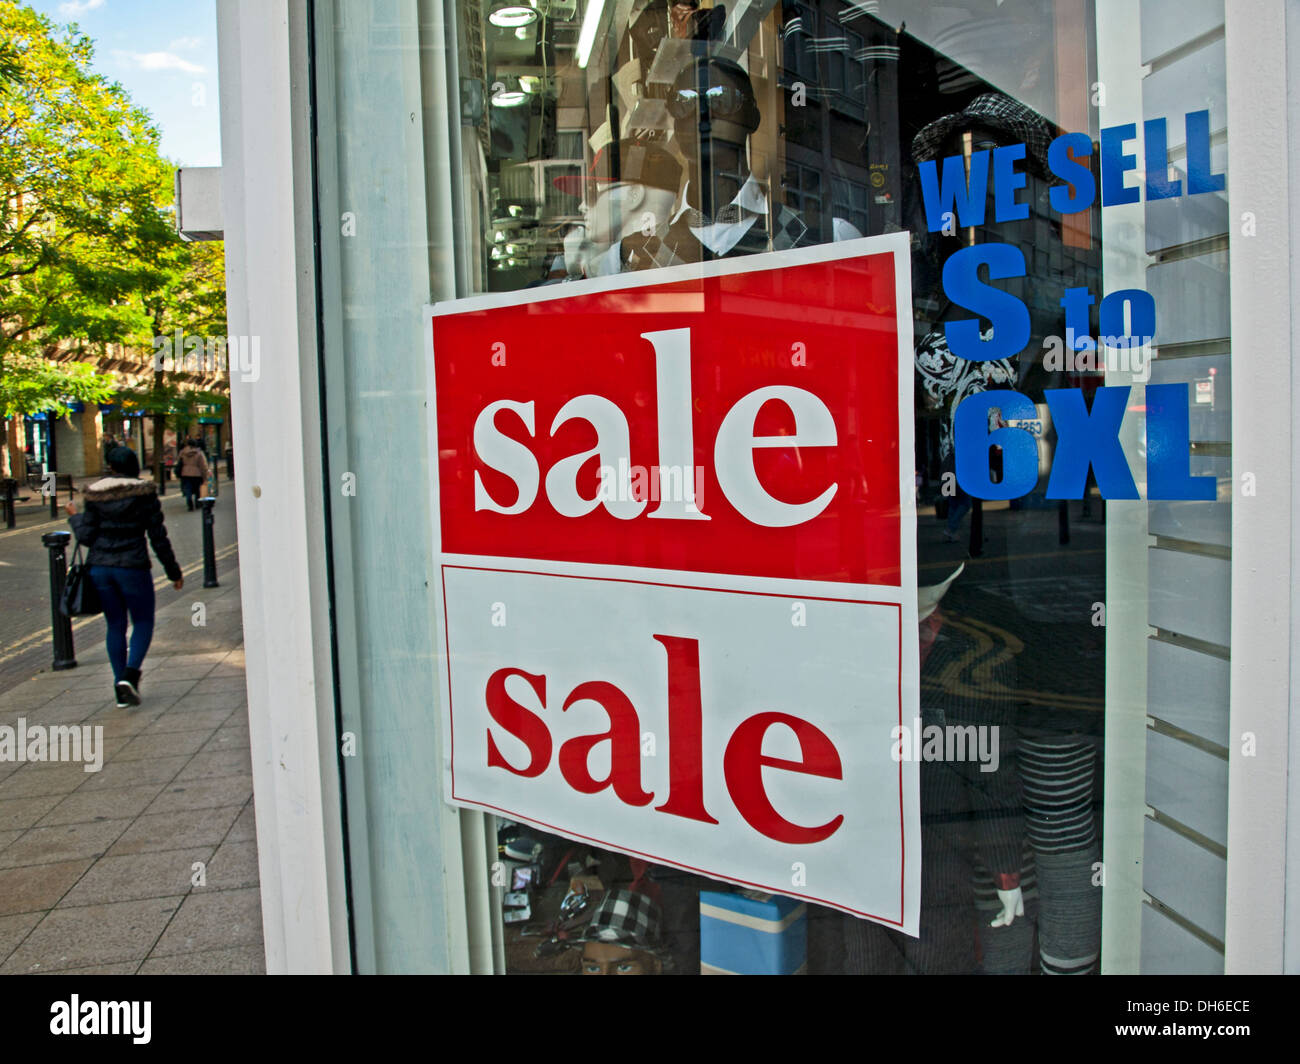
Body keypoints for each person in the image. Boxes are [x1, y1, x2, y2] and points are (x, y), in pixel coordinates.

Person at [66, 445, 184, 708]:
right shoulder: (144, 493)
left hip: (100, 569)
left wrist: (75, 518)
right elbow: (158, 537)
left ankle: (121, 686)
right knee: (142, 621)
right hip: (133, 568)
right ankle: (130, 676)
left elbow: (86, 536)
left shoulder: (95, 494)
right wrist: (173, 571)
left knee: (115, 625)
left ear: (111, 466)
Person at [176, 437, 209, 511]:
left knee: (188, 489)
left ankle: (189, 503)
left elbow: (179, 462)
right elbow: (203, 465)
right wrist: (205, 477)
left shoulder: (182, 452)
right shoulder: (199, 453)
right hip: (197, 474)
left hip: (185, 473)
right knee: (197, 489)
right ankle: (197, 503)